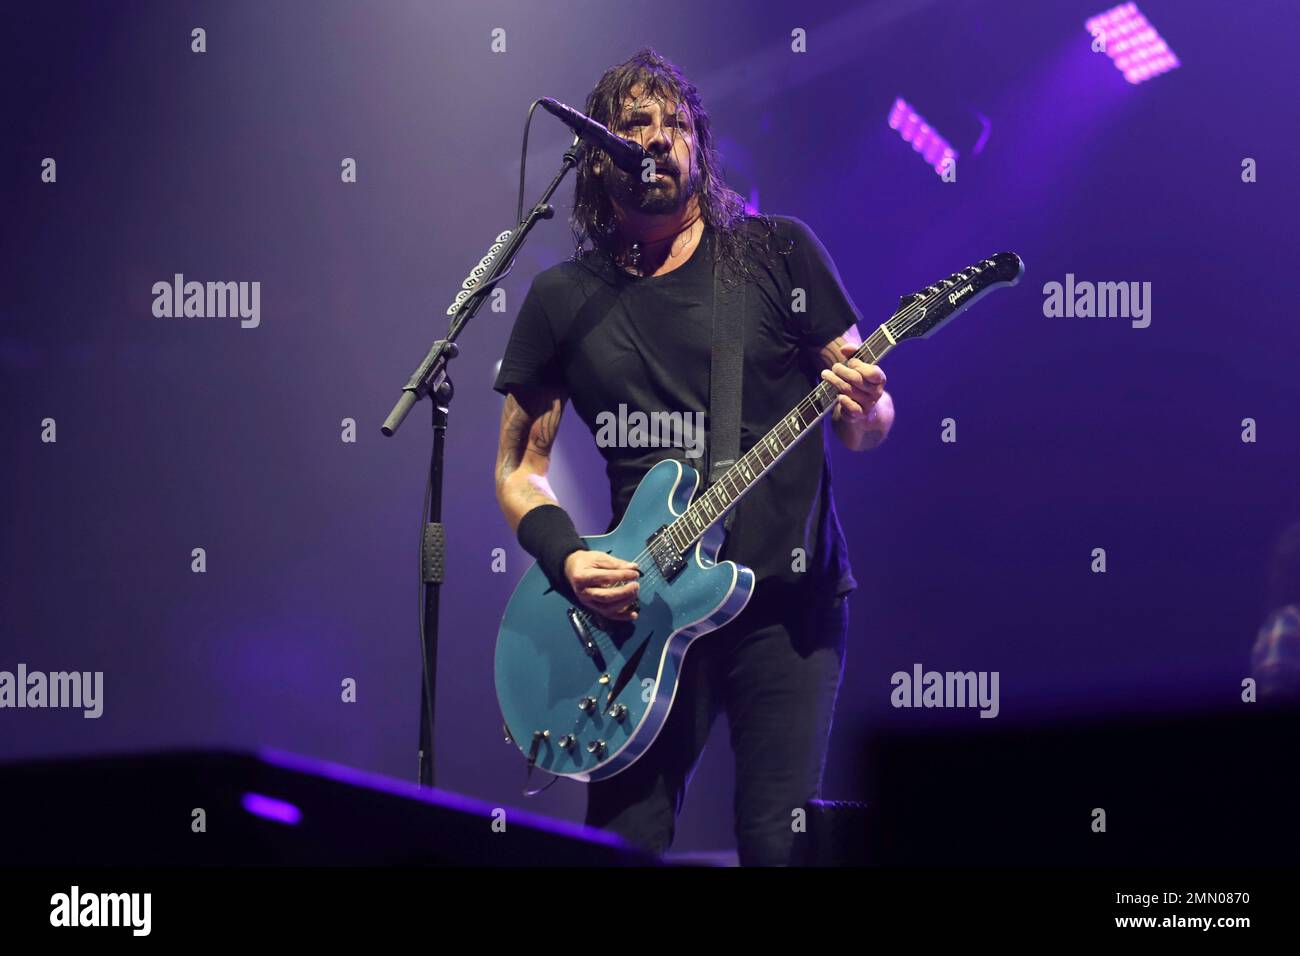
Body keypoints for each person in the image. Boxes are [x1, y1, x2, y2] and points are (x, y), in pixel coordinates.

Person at [492, 48, 894, 865]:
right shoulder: (563, 298)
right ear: (599, 156)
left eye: (677, 125)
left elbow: (866, 419)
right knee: (621, 847)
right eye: (637, 125)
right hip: (639, 616)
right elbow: (518, 469)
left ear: (700, 149)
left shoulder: (777, 254)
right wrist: (568, 560)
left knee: (775, 844)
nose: (661, 140)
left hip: (786, 607)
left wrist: (867, 404)